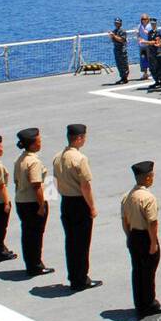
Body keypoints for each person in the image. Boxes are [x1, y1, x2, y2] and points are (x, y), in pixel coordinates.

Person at [53, 123, 100, 291]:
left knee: (71, 241)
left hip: (66, 202)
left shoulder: (58, 157)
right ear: (79, 138)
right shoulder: (80, 159)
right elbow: (85, 186)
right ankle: (81, 279)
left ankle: (74, 276)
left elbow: (54, 182)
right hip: (80, 203)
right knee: (81, 243)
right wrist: (92, 207)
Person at [121, 161, 161, 321]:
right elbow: (152, 222)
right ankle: (149, 304)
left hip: (134, 235)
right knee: (148, 272)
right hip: (145, 237)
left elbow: (125, 220)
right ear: (148, 178)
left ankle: (140, 303)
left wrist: (128, 236)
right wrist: (154, 242)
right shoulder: (148, 198)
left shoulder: (127, 196)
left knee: (137, 270)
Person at [13, 128, 53, 275]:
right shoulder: (34, 162)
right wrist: (41, 205)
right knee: (35, 235)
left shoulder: (21, 159)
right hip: (32, 202)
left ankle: (31, 263)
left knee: (28, 234)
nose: (40, 143)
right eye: (39, 141)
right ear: (33, 144)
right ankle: (36, 265)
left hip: (21, 200)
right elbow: (36, 185)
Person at [108, 18, 130, 84]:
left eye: (117, 23)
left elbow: (122, 40)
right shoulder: (114, 31)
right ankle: (122, 77)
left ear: (120, 23)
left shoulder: (122, 31)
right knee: (118, 64)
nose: (116, 24)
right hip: (116, 49)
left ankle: (125, 77)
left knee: (124, 63)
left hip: (121, 50)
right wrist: (111, 36)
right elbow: (113, 40)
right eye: (115, 23)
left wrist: (113, 36)